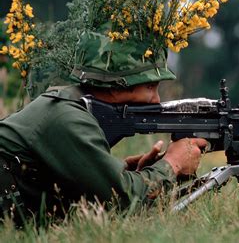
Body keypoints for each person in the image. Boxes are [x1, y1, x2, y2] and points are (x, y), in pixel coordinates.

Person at [0, 30, 207, 221]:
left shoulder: (68, 106)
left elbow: (86, 195)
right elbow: (122, 200)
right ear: (116, 87)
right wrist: (173, 164)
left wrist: (128, 173)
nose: (156, 100)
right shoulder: (68, 118)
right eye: (151, 87)